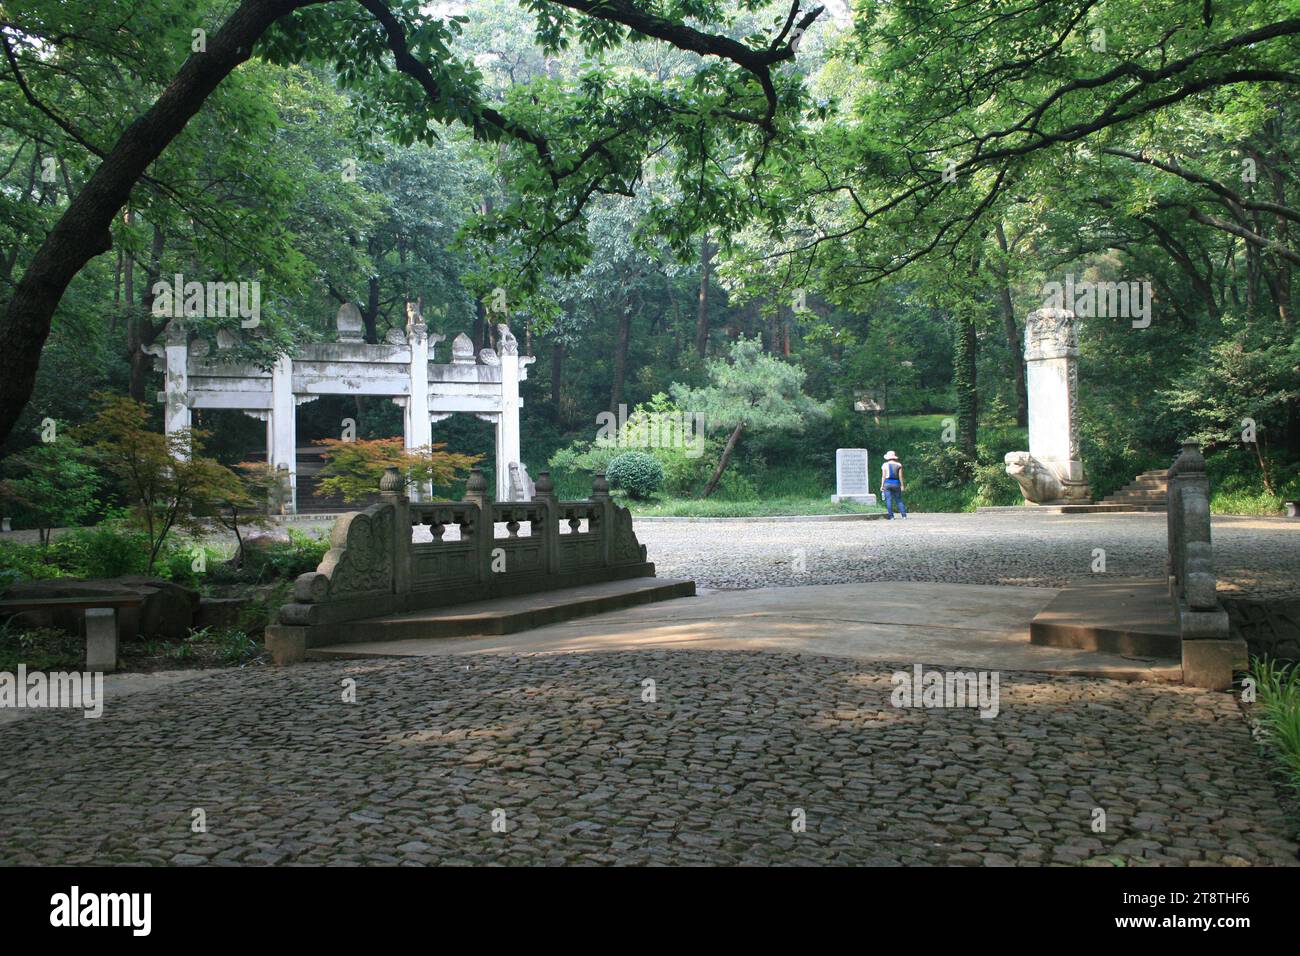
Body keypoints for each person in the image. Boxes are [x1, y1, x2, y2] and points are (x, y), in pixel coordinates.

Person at [881, 450, 907, 519]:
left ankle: (891, 516)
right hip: (896, 483)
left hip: (887, 483)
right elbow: (900, 476)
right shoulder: (899, 465)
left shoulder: (884, 465)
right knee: (898, 500)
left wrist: (882, 486)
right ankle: (903, 515)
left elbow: (883, 476)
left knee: (888, 500)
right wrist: (902, 485)